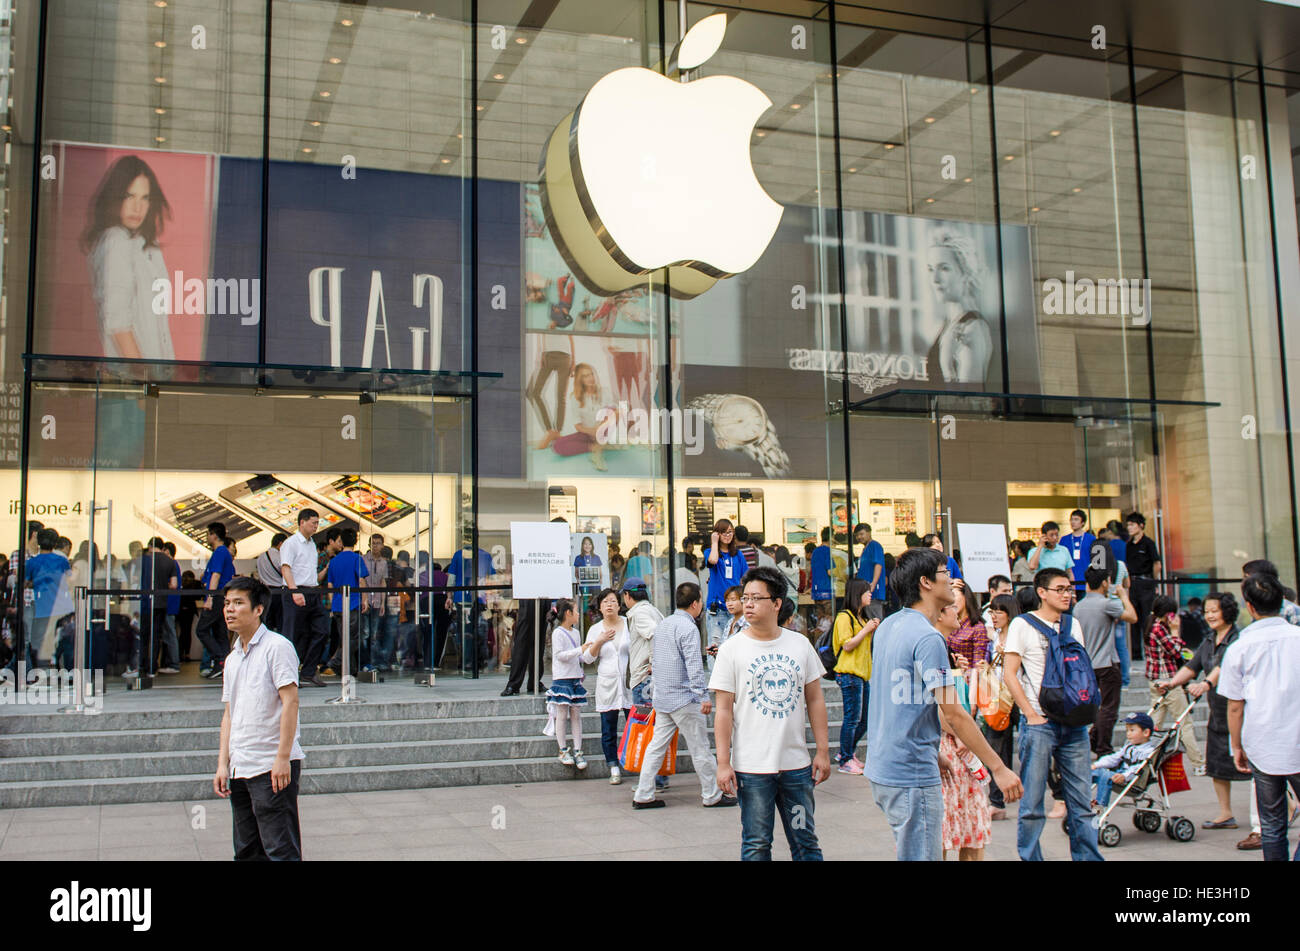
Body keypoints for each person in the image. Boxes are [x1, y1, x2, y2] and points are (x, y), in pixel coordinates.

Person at [866, 548, 1020, 861]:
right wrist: (999, 767)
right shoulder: (928, 637)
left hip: (885, 766)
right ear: (925, 582)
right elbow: (955, 714)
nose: (951, 580)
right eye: (944, 573)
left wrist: (931, 750)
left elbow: (896, 699)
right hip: (910, 773)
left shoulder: (888, 626)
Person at [710, 566, 830, 860]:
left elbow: (815, 700)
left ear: (776, 603)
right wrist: (723, 763)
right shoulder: (732, 650)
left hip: (796, 770)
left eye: (755, 598)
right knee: (756, 843)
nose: (747, 604)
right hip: (752, 771)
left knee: (805, 840)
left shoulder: (799, 644)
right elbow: (723, 710)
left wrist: (823, 752)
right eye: (745, 597)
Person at [1002, 566, 1104, 861]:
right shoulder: (1023, 624)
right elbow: (1010, 674)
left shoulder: (1073, 625)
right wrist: (1030, 714)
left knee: (1082, 803)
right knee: (1032, 804)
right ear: (1041, 592)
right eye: (1060, 589)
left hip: (1073, 723)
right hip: (1040, 724)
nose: (1067, 594)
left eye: (1069, 589)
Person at [212, 576, 305, 861]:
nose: (229, 609)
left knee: (280, 850)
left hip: (270, 765)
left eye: (238, 603)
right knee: (247, 851)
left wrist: (282, 758)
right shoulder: (233, 658)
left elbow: (291, 702)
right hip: (241, 766)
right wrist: (222, 763)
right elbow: (230, 713)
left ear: (258, 609)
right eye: (227, 603)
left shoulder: (277, 647)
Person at [631, 582, 735, 810]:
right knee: (700, 749)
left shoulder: (664, 625)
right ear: (696, 603)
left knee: (655, 747)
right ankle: (712, 794)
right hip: (684, 699)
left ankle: (643, 794)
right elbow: (693, 665)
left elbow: (658, 659)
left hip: (663, 697)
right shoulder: (688, 628)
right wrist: (703, 696)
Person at [1220, 572, 1300, 861]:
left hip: (1262, 743)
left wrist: (1236, 746)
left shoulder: (1240, 647)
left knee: (1272, 824)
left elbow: (1234, 705)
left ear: (1249, 606)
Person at [1155, 591, 1245, 828]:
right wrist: (1172, 682)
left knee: (1258, 769)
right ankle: (1226, 813)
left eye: (1214, 611)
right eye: (1207, 612)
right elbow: (1193, 665)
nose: (1210, 616)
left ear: (1227, 611)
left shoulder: (1237, 639)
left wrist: (1206, 684)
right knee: (1216, 765)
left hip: (1241, 712)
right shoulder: (1208, 640)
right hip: (1219, 712)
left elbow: (1224, 667)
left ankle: (1287, 806)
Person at [83, 154, 175, 360]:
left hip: (152, 372)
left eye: (144, 198)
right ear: (115, 197)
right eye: (129, 196)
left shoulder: (144, 245)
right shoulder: (116, 241)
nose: (137, 207)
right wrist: (144, 378)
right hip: (134, 380)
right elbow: (118, 324)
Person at [933, 593, 991, 860]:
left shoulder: (944, 648)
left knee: (967, 818)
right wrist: (965, 737)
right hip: (951, 744)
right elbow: (942, 709)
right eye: (951, 607)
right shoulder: (934, 648)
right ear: (940, 615)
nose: (957, 610)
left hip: (956, 740)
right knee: (953, 819)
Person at [1073, 567, 1137, 757]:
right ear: (1104, 583)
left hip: (1086, 664)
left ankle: (1093, 740)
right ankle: (1103, 747)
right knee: (1109, 707)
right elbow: (1132, 617)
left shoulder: (1078, 607)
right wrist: (1123, 595)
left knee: (1096, 707)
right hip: (1107, 663)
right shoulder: (1107, 604)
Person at [926, 227, 993, 384]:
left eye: (944, 268)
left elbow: (970, 400)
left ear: (965, 272)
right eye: (930, 269)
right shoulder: (948, 325)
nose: (934, 279)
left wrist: (948, 367)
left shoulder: (972, 329)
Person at [1145, 594, 1204, 769]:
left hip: (1155, 680)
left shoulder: (1151, 625)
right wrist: (1176, 631)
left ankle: (1145, 759)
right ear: (1169, 614)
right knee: (1184, 722)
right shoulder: (1159, 629)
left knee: (1155, 723)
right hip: (1168, 681)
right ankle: (1198, 763)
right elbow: (1176, 651)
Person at [581, 587, 631, 780]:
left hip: (628, 683)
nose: (609, 605)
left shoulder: (629, 624)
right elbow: (587, 659)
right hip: (608, 683)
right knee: (608, 728)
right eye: (605, 602)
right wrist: (599, 641)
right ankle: (613, 767)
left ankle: (632, 761)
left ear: (619, 605)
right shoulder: (595, 630)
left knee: (632, 725)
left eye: (612, 601)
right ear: (600, 607)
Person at [832, 578, 878, 775]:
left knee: (865, 719)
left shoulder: (861, 617)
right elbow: (847, 645)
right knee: (852, 718)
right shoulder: (845, 617)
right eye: (866, 592)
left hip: (862, 673)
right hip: (849, 673)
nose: (870, 595)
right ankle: (845, 758)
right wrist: (867, 630)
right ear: (857, 594)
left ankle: (847, 752)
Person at [280, 510, 330, 688]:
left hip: (312, 591)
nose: (316, 526)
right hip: (295, 589)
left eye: (317, 523)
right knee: (292, 635)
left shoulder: (311, 544)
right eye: (313, 522)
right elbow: (286, 568)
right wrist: (294, 591)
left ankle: (308, 671)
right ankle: (289, 675)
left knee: (322, 630)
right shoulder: (291, 543)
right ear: (302, 522)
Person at [982, 593, 1019, 820]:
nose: (994, 616)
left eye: (998, 612)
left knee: (1014, 748)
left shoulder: (1018, 637)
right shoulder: (993, 637)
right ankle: (997, 800)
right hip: (998, 699)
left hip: (1018, 699)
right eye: (992, 612)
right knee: (997, 747)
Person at [543, 599, 588, 770]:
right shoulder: (558, 633)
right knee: (561, 714)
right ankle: (562, 749)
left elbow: (578, 655)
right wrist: (580, 650)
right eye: (576, 611)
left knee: (576, 714)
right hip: (562, 678)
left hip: (575, 677)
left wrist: (589, 651)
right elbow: (560, 655)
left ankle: (578, 750)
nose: (578, 614)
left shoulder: (575, 633)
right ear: (568, 613)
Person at [324, 528, 369, 674]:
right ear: (355, 542)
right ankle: (335, 662)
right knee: (355, 637)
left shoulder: (334, 561)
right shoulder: (357, 559)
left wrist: (332, 605)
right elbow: (361, 580)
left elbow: (330, 585)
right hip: (353, 603)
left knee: (345, 637)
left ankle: (349, 669)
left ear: (341, 542)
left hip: (338, 605)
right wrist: (365, 599)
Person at [1091, 713, 1159, 808]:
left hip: (1131, 781)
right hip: (1118, 776)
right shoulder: (1129, 746)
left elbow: (1138, 768)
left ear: (1146, 733)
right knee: (1091, 773)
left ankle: (1100, 807)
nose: (1128, 733)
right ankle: (1077, 800)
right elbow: (1114, 758)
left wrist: (1124, 776)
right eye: (1127, 730)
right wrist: (1097, 765)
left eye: (1132, 730)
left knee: (1106, 775)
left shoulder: (1148, 751)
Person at [195, 522, 236, 681]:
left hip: (217, 597)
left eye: (208, 534)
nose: (207, 537)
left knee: (202, 630)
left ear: (213, 535)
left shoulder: (219, 552)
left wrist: (210, 597)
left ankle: (220, 660)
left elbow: (216, 575)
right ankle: (227, 664)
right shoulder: (224, 553)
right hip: (222, 597)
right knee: (220, 632)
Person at [26, 528, 70, 668]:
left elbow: (25, 583)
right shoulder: (62, 561)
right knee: (56, 639)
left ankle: (42, 670)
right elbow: (68, 581)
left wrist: (36, 582)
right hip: (59, 605)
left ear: (38, 542)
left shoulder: (33, 562)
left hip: (40, 606)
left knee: (38, 640)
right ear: (55, 543)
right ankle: (54, 667)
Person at [703, 519, 748, 654]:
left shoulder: (738, 555)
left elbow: (745, 577)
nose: (727, 535)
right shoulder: (709, 551)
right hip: (717, 609)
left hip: (736, 608)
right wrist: (715, 542)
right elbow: (713, 560)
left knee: (736, 648)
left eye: (730, 532)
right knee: (715, 649)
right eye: (723, 532)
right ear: (717, 534)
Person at [138, 536, 180, 676]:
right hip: (161, 603)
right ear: (162, 548)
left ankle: (141, 666)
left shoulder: (144, 560)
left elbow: (136, 579)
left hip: (145, 603)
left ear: (150, 546)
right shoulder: (170, 562)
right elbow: (174, 585)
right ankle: (152, 668)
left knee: (143, 635)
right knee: (156, 636)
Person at [1125, 512, 1162, 650]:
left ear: (1141, 526)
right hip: (1133, 584)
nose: (1129, 528)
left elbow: (1157, 564)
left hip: (1146, 582)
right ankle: (1135, 651)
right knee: (1133, 617)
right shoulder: (1129, 545)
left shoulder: (1148, 543)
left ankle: (1149, 648)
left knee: (1147, 618)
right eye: (1128, 525)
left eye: (1132, 525)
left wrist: (1154, 582)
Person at [361, 533, 396, 670]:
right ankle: (365, 662)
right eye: (373, 543)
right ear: (370, 545)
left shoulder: (383, 562)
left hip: (376, 600)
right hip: (365, 599)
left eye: (378, 543)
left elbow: (383, 582)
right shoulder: (363, 559)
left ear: (382, 545)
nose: (376, 546)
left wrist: (382, 603)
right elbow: (361, 580)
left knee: (374, 633)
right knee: (365, 632)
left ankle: (374, 661)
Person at [946, 578, 988, 669]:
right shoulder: (946, 623)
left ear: (965, 596)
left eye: (954, 595)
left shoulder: (977, 628)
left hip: (967, 678)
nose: (951, 601)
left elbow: (978, 665)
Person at [255, 532, 287, 635]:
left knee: (267, 622)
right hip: (278, 592)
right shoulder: (279, 556)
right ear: (281, 543)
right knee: (280, 622)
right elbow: (285, 573)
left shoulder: (260, 557)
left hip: (265, 592)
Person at [853, 523, 886, 620]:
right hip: (865, 590)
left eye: (861, 534)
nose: (859, 537)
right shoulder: (865, 549)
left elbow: (878, 564)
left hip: (872, 591)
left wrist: (873, 584)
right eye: (857, 535)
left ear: (869, 533)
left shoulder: (875, 546)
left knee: (875, 619)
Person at [1064, 510, 1096, 589]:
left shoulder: (1091, 539)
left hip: (1086, 580)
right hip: (1069, 580)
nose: (1073, 522)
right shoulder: (1064, 540)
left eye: (1076, 519)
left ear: (1083, 523)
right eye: (1071, 519)